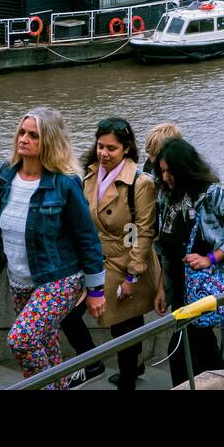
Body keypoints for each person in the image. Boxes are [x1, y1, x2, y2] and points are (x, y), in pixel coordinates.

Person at [0, 108, 105, 390]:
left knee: (21, 339)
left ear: (49, 141)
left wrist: (96, 290)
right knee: (44, 343)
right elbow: (7, 219)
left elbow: (87, 237)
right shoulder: (6, 173)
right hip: (19, 278)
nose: (24, 139)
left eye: (34, 135)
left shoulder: (64, 182)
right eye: (22, 132)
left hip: (58, 278)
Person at [59, 118, 159, 391]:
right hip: (95, 261)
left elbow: (144, 232)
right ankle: (93, 360)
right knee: (67, 312)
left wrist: (133, 276)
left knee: (124, 326)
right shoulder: (89, 176)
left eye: (111, 148)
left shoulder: (140, 183)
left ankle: (128, 380)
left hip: (125, 262)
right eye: (100, 146)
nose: (103, 153)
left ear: (126, 149)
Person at [150, 138, 224, 386]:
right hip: (180, 287)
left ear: (184, 168)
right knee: (186, 352)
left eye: (169, 171)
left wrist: (210, 258)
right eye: (161, 171)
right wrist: (162, 287)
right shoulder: (167, 198)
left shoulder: (213, 195)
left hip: (206, 285)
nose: (164, 177)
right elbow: (165, 246)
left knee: (198, 351)